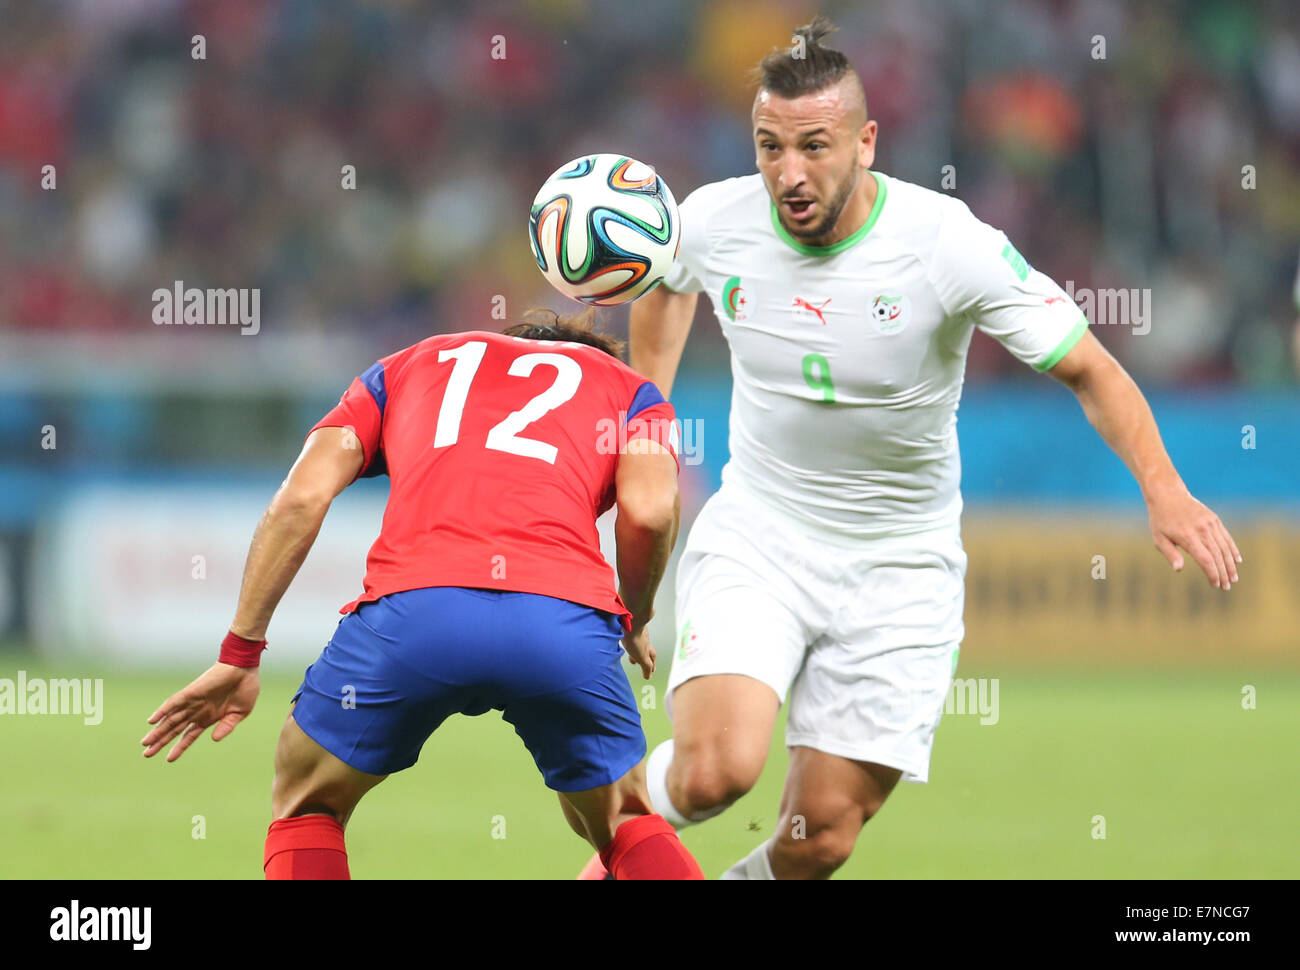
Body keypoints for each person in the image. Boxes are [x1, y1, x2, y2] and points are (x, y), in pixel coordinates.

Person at [584, 17, 1242, 880]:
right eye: (768, 147)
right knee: (716, 772)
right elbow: (667, 282)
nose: (788, 173)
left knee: (820, 837)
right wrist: (652, 415)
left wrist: (1166, 489)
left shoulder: (946, 245)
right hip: (762, 534)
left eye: (813, 146)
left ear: (865, 140)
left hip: (901, 565)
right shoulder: (714, 219)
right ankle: (610, 842)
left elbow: (1091, 368)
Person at [142, 307, 704, 880]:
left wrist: (240, 654)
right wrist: (633, 617)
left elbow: (299, 499)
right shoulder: (635, 393)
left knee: (308, 802)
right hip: (559, 625)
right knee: (625, 820)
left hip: (414, 616)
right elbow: (652, 512)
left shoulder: (404, 367)